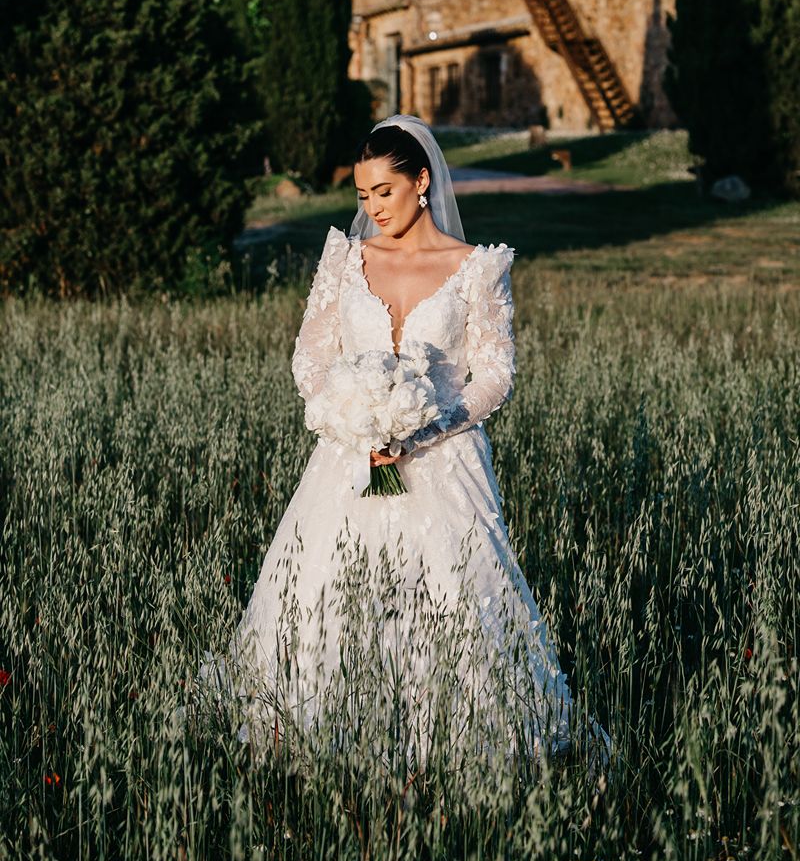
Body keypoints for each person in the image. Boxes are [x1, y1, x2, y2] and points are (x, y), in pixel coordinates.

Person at [194, 114, 611, 779]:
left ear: (421, 181)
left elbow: (495, 378)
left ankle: (450, 744)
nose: (373, 209)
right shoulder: (345, 260)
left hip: (442, 461)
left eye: (384, 192)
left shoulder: (477, 269)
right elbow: (309, 358)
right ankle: (314, 734)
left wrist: (421, 427)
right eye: (363, 196)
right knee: (330, 589)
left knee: (450, 595)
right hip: (346, 457)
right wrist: (351, 418)